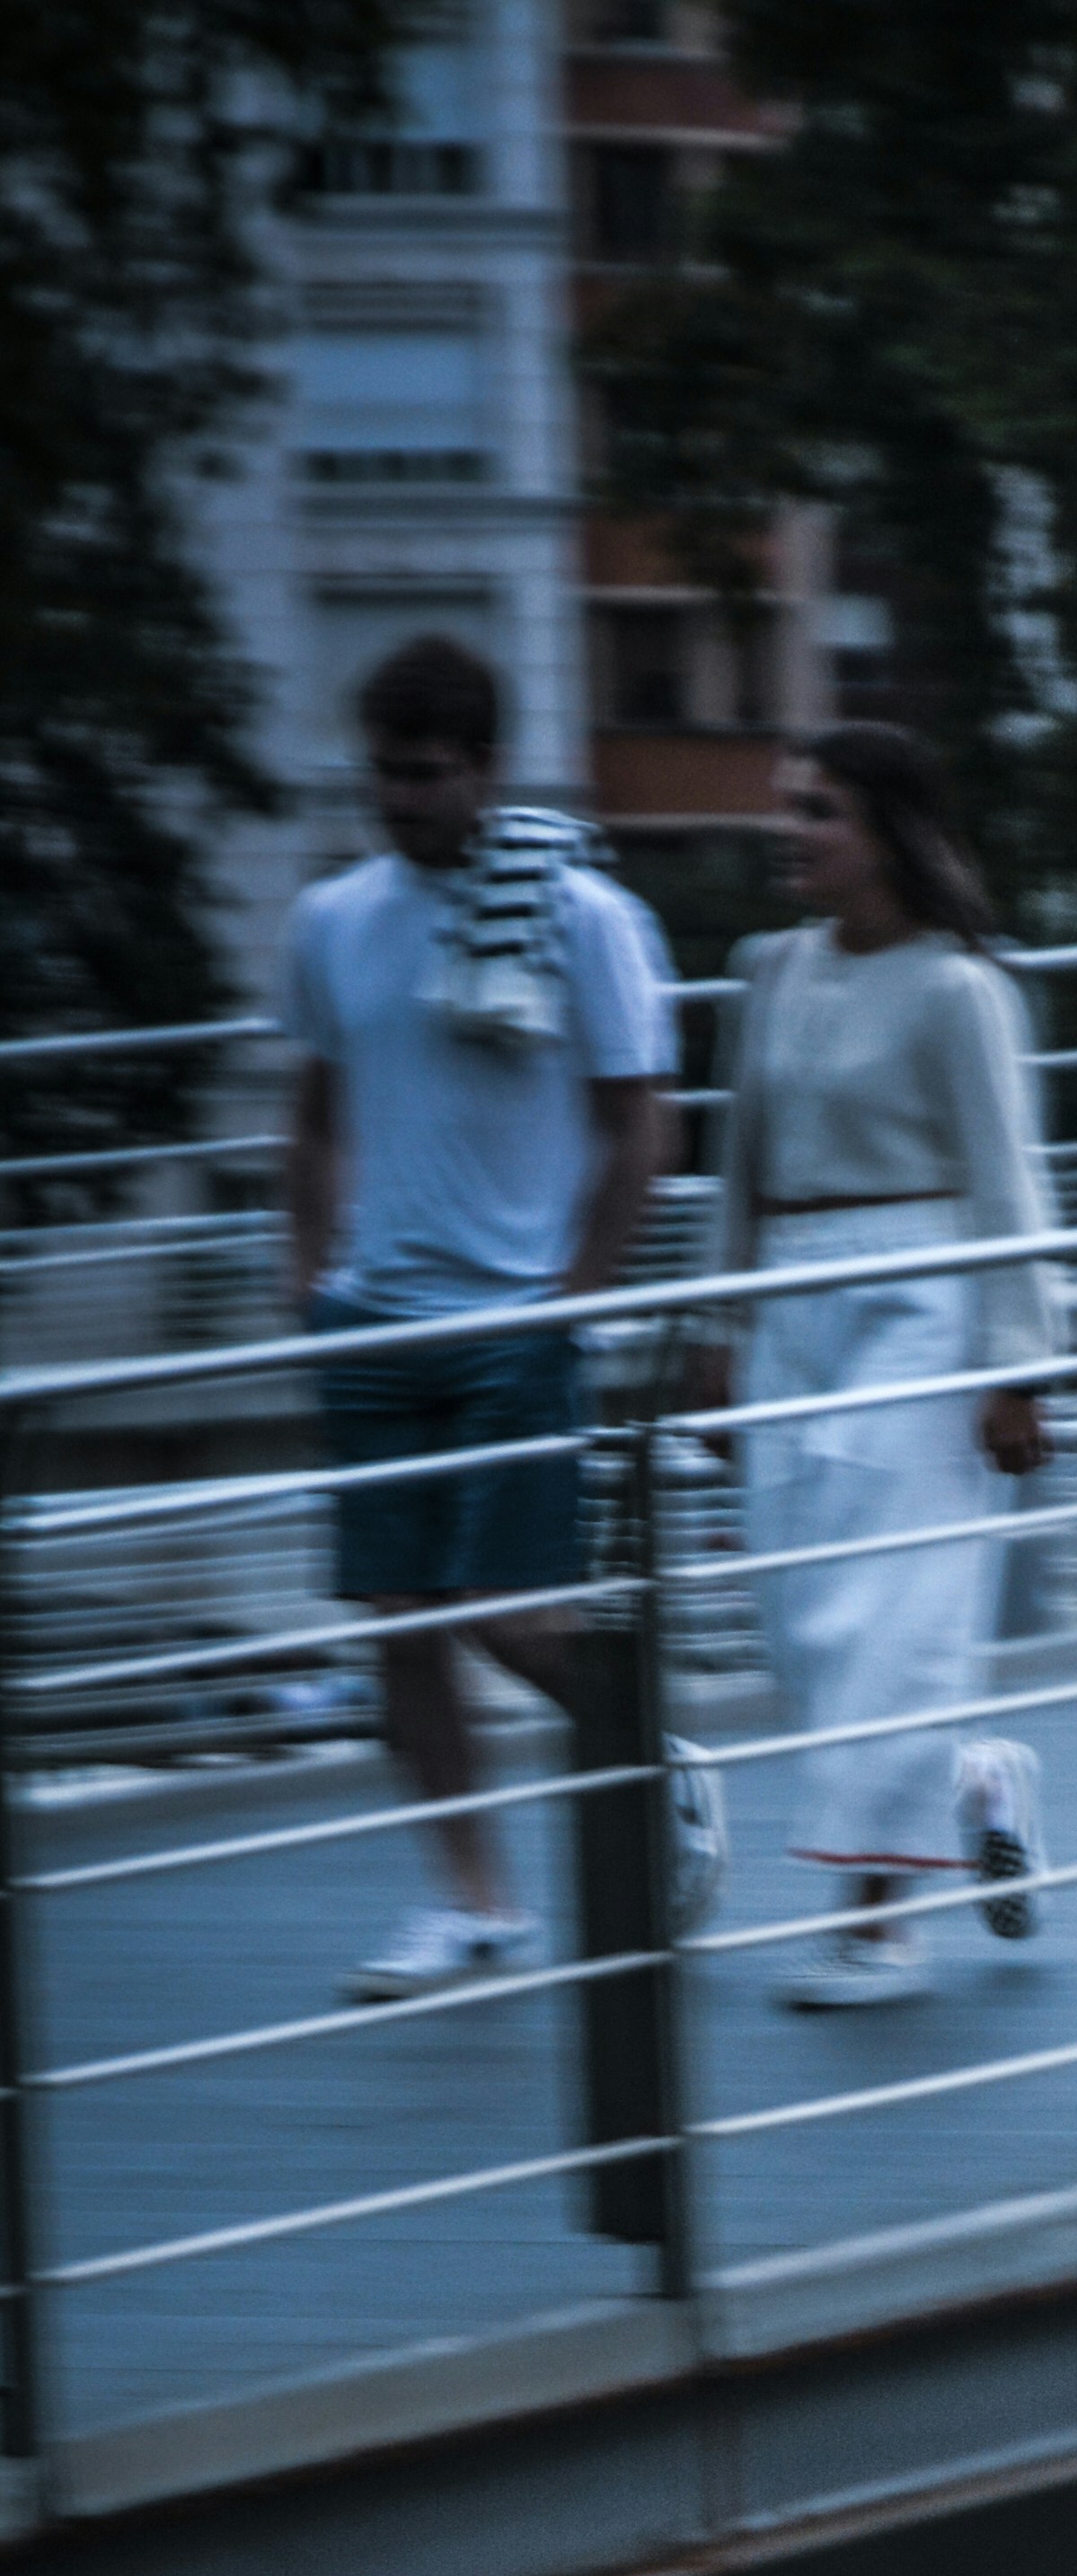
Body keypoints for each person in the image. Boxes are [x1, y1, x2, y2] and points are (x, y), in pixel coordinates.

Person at [283, 635, 675, 1999]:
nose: (398, 799)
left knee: (508, 1615)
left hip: (516, 1316)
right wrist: (310, 1276)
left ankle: (665, 1760)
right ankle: (472, 1902)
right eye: (383, 774)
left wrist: (577, 1296)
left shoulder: (581, 917)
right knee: (399, 1624)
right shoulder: (331, 919)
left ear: (489, 770)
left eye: (427, 775)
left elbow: (641, 1126)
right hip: (374, 1327)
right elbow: (319, 1113)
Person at [697, 725, 1057, 2011]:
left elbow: (1015, 1188)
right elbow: (734, 1158)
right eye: (788, 807)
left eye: (821, 811)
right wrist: (713, 1329)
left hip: (920, 1296)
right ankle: (976, 1783)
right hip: (788, 1297)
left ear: (889, 830)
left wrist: (1020, 1369)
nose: (790, 831)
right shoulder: (767, 971)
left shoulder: (962, 991)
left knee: (890, 1615)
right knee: (801, 1615)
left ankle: (877, 1928)